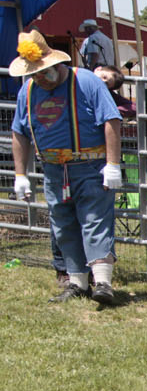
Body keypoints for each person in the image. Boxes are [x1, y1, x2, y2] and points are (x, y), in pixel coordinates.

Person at [9, 30, 123, 304]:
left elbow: (111, 120)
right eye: (34, 73)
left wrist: (112, 164)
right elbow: (19, 132)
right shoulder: (28, 91)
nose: (39, 78)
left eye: (43, 72)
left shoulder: (87, 82)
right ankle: (77, 283)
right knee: (63, 225)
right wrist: (20, 174)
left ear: (56, 64)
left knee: (95, 220)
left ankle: (103, 283)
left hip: (90, 166)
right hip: (53, 170)